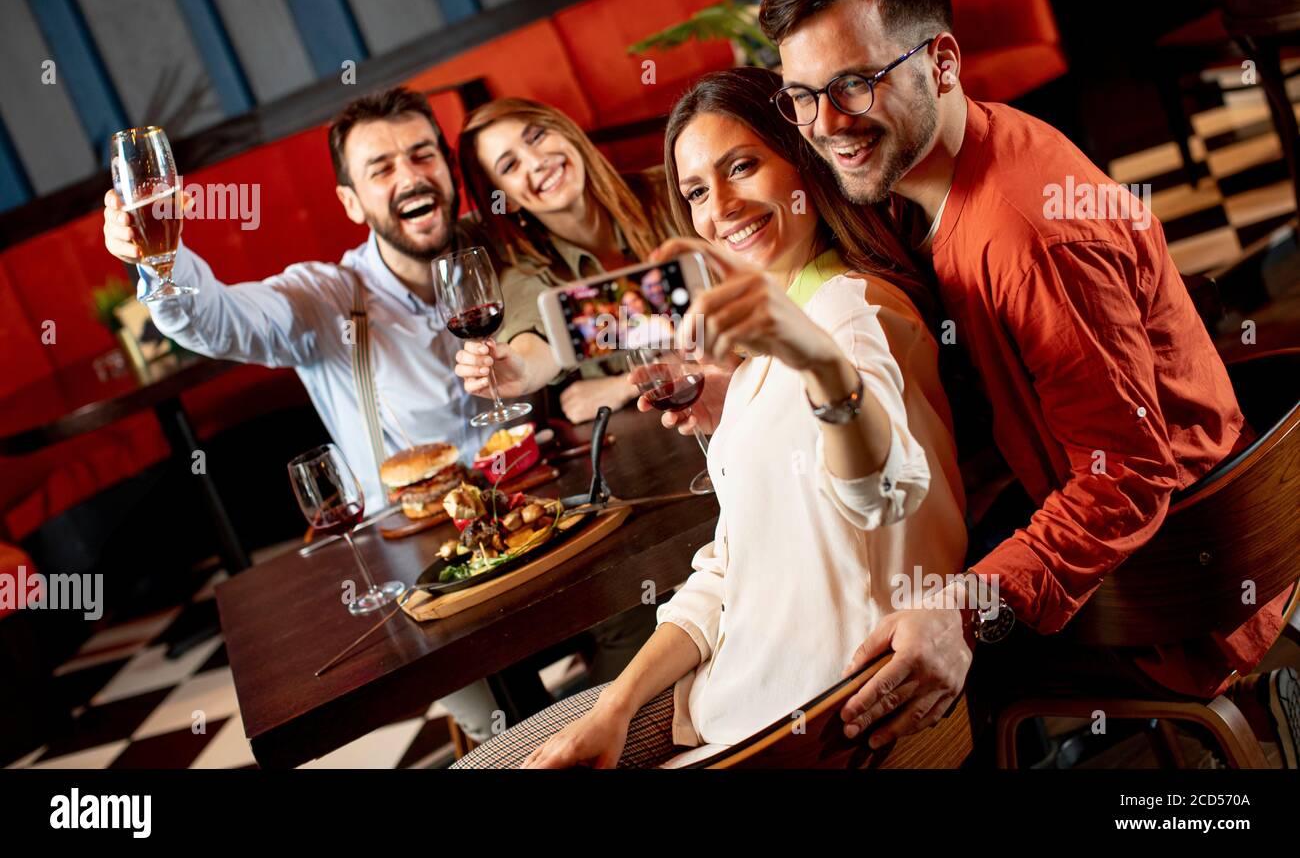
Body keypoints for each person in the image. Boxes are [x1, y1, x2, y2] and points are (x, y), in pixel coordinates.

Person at [760, 0, 1298, 762]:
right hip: (1169, 520)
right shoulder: (952, 158)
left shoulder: (1024, 232)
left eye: (855, 84)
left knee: (860, 672)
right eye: (801, 95)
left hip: (1180, 582)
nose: (827, 124)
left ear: (941, 62)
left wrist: (967, 607)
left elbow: (1127, 480)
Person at [452, 67, 966, 768]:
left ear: (804, 161)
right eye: (697, 191)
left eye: (743, 166)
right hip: (728, 695)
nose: (719, 207)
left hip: (807, 723)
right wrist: (614, 709)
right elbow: (730, 565)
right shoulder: (772, 326)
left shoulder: (848, 314)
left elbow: (885, 493)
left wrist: (815, 367)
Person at [102, 86, 510, 745]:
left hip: (539, 517)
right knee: (505, 726)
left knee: (636, 645)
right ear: (351, 201)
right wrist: (160, 258)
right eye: (380, 168)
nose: (409, 177)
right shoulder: (325, 300)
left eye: (422, 154)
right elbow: (215, 319)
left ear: (448, 167)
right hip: (424, 572)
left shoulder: (502, 259)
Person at [451, 98, 685, 424]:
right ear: (508, 200)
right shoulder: (526, 271)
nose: (536, 162)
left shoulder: (675, 191)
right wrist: (521, 372)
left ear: (565, 131)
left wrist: (626, 386)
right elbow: (539, 343)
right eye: (509, 166)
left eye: (536, 137)